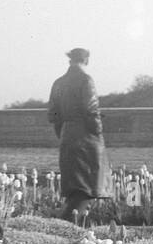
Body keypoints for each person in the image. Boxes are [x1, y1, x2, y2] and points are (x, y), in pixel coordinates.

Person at [47, 48, 112, 222]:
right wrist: (97, 131)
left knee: (75, 188)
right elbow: (91, 110)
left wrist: (63, 133)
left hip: (67, 136)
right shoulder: (86, 80)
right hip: (86, 138)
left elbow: (53, 114)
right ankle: (68, 228)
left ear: (70, 60)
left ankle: (72, 227)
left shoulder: (58, 82)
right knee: (86, 187)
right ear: (87, 60)